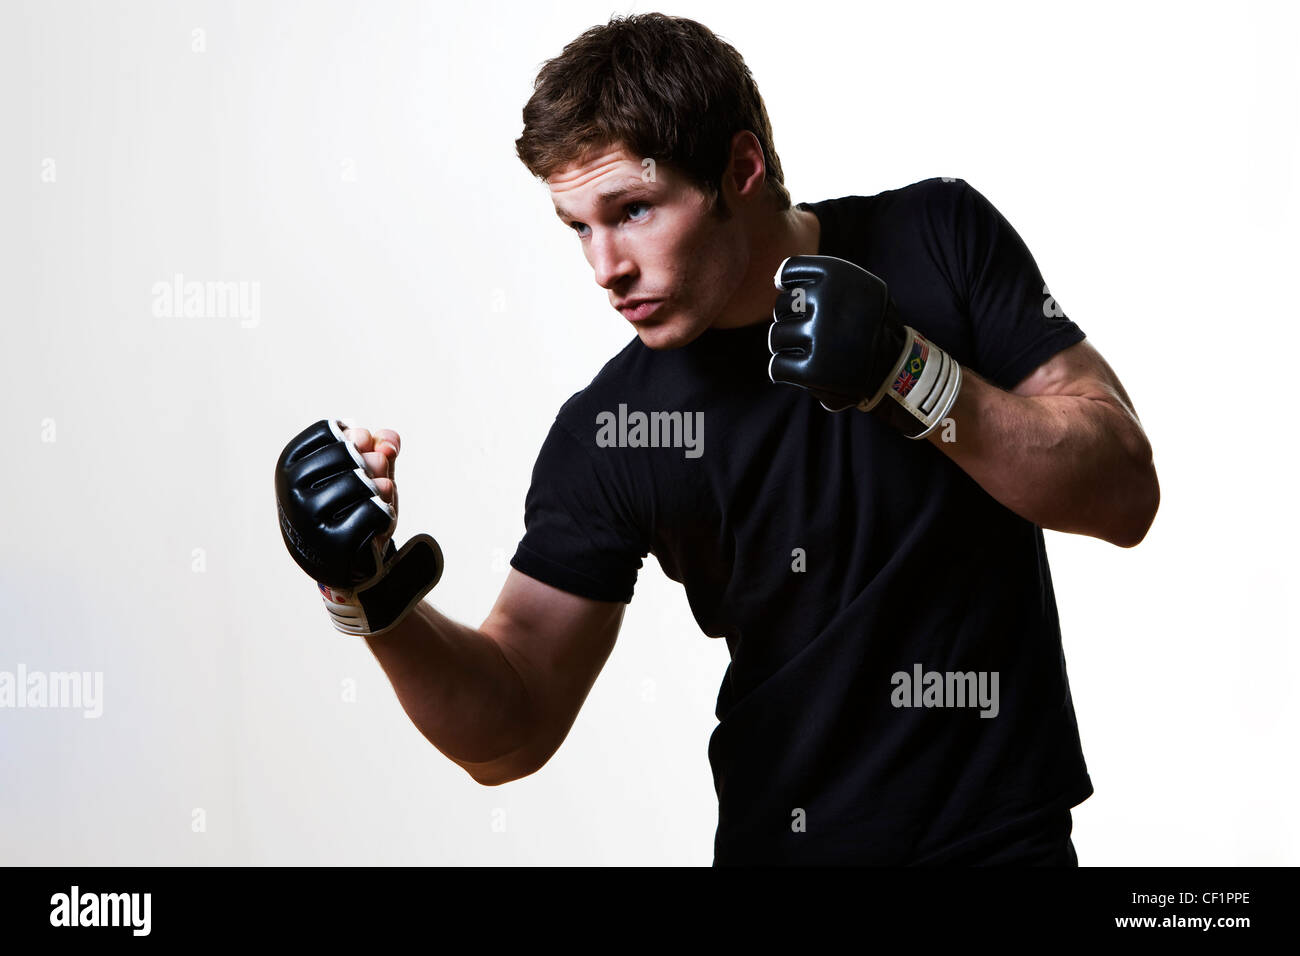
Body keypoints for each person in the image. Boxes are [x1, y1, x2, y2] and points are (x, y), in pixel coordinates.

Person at [274, 13, 1159, 866]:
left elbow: (1124, 490)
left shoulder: (937, 235)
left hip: (1010, 844)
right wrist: (372, 599)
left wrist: (909, 373)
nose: (605, 268)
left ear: (741, 167)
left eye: (633, 210)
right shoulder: (614, 429)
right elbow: (513, 730)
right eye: (578, 227)